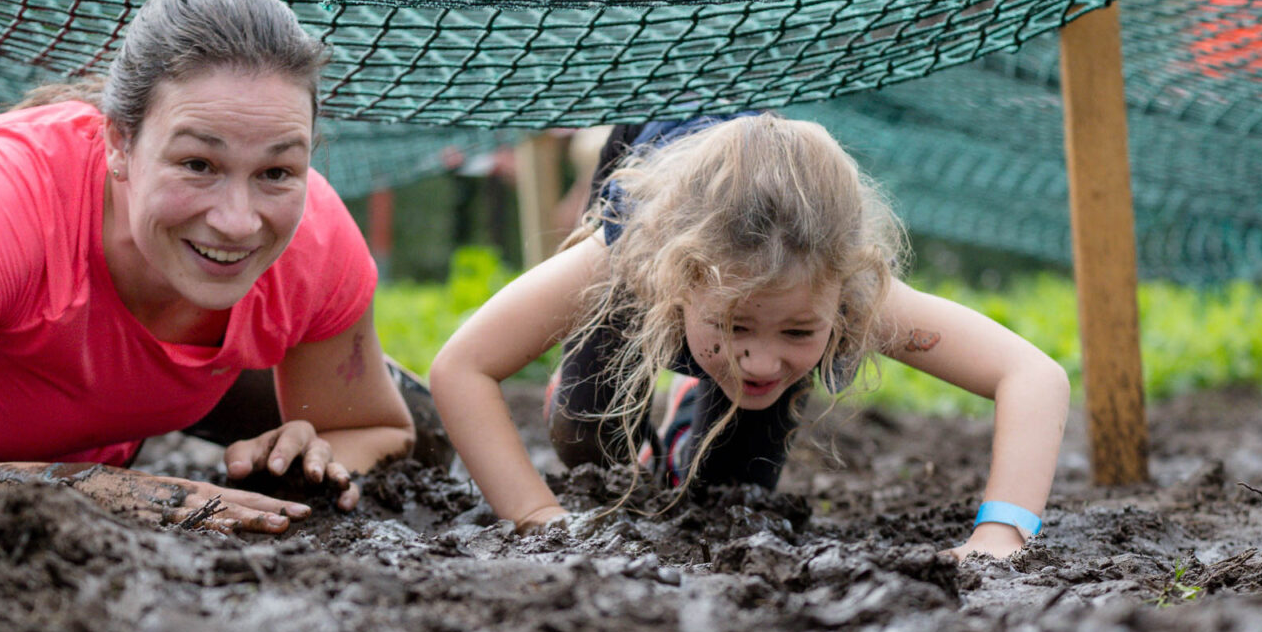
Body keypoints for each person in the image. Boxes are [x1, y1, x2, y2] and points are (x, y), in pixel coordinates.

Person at [0, 0, 418, 534]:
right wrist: (108, 492)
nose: (238, 220)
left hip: (72, 327)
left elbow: (378, 431)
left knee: (427, 425)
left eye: (276, 172)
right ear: (119, 144)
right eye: (198, 164)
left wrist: (311, 454)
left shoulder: (312, 240)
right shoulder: (6, 201)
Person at [429, 113, 1070, 560]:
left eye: (798, 330)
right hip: (656, 169)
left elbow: (1033, 375)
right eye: (734, 326)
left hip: (761, 209)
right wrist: (539, 520)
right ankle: (605, 384)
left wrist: (1002, 534)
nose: (761, 361)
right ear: (679, 282)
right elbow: (461, 368)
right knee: (587, 436)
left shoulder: (842, 279)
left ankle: (690, 411)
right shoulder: (631, 257)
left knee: (733, 498)